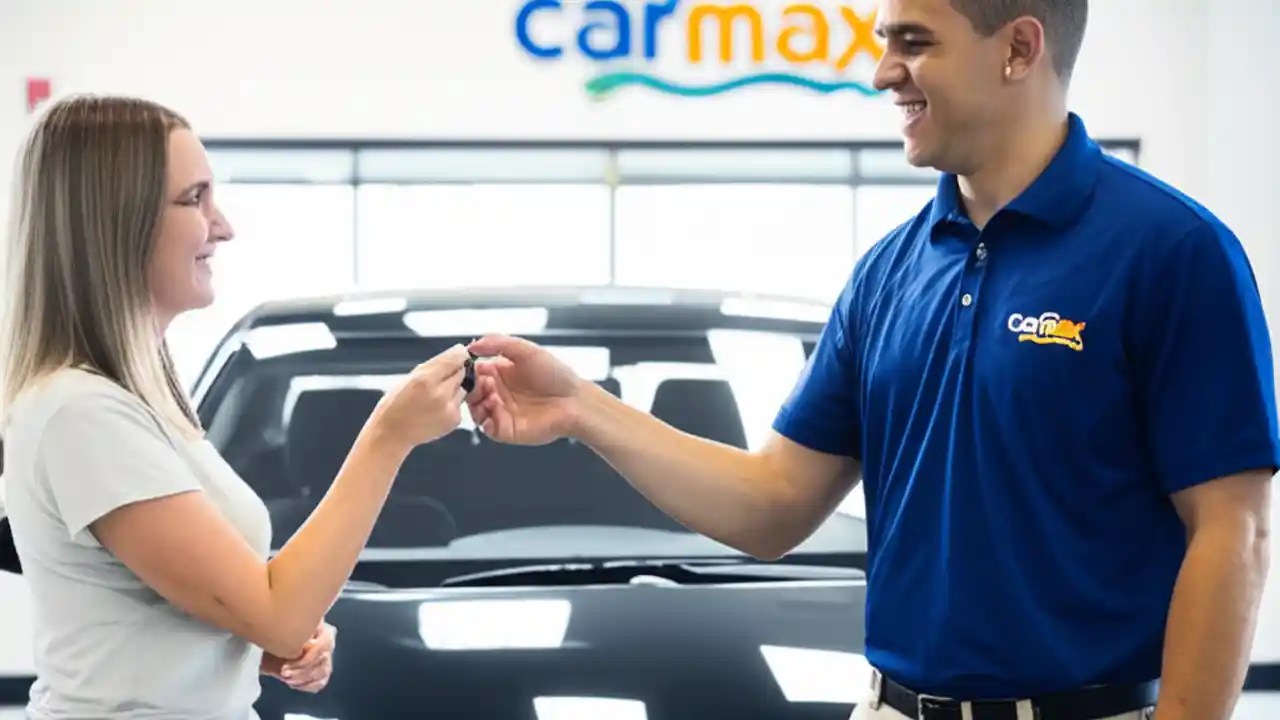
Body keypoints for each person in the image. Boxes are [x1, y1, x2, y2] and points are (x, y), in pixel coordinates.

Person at [464, 0, 1275, 718]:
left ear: (1019, 50)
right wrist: (581, 407)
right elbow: (772, 505)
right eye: (887, 41)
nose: (886, 72)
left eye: (914, 43)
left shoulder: (1173, 253)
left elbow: (1231, 531)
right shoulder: (890, 272)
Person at [0, 95, 472, 719]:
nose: (222, 226)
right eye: (193, 199)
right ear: (118, 221)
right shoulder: (83, 415)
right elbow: (278, 615)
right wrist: (389, 434)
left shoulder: (133, 404)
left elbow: (191, 610)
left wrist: (248, 643)